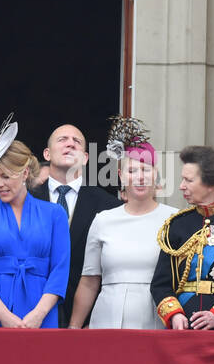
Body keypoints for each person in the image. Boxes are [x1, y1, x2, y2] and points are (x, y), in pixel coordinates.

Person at [69, 117, 178, 329]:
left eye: (146, 170)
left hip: (156, 316)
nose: (139, 177)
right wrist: (74, 327)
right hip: (108, 317)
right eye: (132, 171)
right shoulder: (103, 220)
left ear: (156, 175)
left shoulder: (174, 219)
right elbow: (90, 281)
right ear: (120, 175)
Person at [0, 120, 69, 328]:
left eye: (6, 176)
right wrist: (3, 315)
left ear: (24, 173)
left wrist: (39, 315)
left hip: (42, 313)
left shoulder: (55, 214)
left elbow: (60, 269)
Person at [151, 146, 214, 330]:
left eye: (189, 180)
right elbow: (161, 283)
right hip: (184, 327)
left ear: (210, 183)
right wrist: (174, 314)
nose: (181, 186)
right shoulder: (178, 224)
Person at [30, 124, 120, 327]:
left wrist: (95, 318)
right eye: (62, 140)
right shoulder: (27, 201)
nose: (70, 144)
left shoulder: (109, 206)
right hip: (31, 312)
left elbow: (110, 267)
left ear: (86, 158)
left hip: (88, 320)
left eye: (77, 142)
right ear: (47, 153)